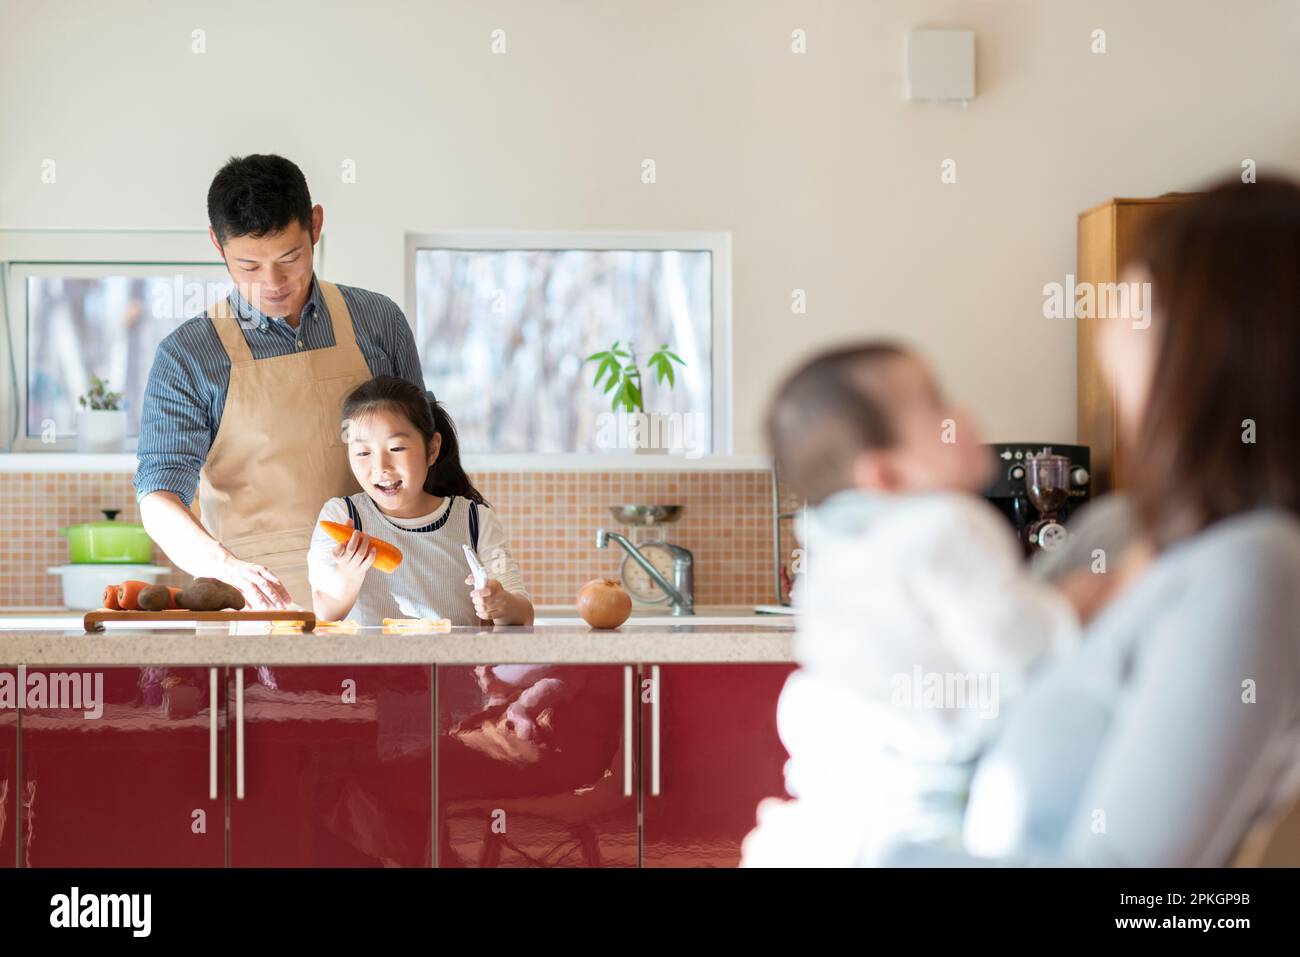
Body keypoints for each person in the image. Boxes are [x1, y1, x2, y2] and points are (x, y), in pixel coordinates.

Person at [890, 176, 1300, 867]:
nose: (1106, 326)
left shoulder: (1253, 570)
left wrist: (856, 853)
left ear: (1213, 339)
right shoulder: (1117, 530)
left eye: (1131, 301)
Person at [741, 344, 1080, 866]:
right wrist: (1083, 600)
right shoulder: (948, 524)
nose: (963, 415)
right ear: (887, 475)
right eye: (937, 405)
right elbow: (1022, 649)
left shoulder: (833, 548)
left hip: (844, 788)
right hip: (927, 802)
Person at [135, 154, 425, 610]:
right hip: (259, 604)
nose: (273, 283)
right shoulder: (189, 356)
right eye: (249, 266)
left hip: (388, 594)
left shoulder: (378, 321)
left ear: (315, 224)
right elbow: (158, 499)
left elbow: (427, 455)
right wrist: (225, 567)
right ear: (217, 243)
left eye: (290, 258)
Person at [308, 375, 533, 626]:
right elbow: (326, 612)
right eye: (363, 452)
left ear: (432, 449)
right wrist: (349, 573)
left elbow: (523, 615)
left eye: (396, 449)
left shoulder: (475, 520)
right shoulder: (342, 516)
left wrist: (501, 604)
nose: (380, 467)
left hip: (455, 664)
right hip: (370, 665)